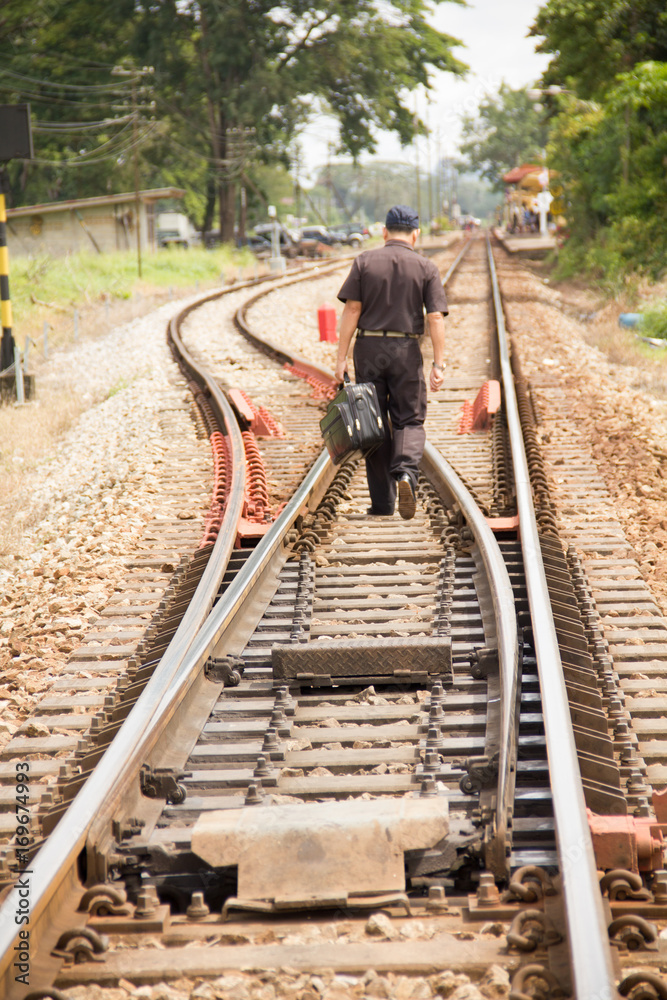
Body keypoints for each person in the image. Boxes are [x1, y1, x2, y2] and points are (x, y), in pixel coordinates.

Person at [334, 205, 447, 520]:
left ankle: (382, 504)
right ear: (416, 234)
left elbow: (352, 310)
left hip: (368, 346)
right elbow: (435, 317)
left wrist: (340, 358)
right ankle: (406, 473)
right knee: (409, 419)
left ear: (383, 232)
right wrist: (439, 363)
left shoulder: (364, 261)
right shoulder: (426, 267)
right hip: (406, 348)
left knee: (373, 422)